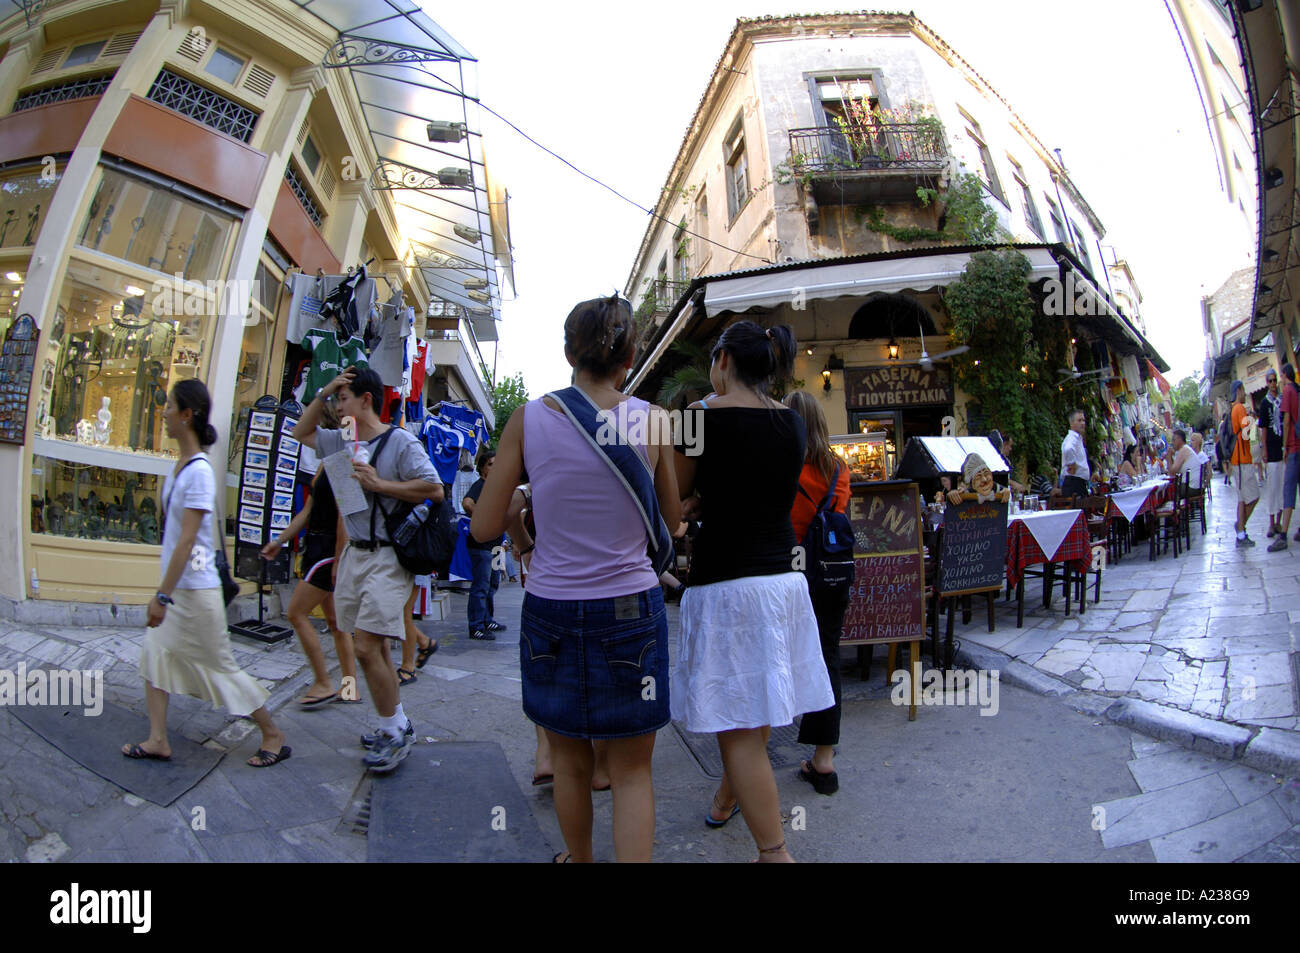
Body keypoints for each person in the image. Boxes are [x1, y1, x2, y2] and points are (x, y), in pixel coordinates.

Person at [470, 293, 681, 863]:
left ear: (569, 351)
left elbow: (485, 527)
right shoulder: (652, 421)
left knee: (568, 761)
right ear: (630, 354)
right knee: (633, 771)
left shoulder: (530, 418)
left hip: (551, 610)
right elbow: (674, 523)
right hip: (632, 608)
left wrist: (527, 500)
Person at [673, 321, 833, 863]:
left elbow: (671, 508)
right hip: (783, 582)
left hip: (727, 583)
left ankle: (774, 853)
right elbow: (760, 490)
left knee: (736, 725)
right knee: (755, 708)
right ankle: (726, 795)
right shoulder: (791, 423)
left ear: (721, 360)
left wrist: (693, 504)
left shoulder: (696, 419)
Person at [123, 380, 289, 767]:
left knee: (222, 669)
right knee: (154, 654)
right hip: (182, 589)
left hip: (195, 593)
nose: (162, 412)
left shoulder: (199, 472)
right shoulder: (178, 465)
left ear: (186, 415)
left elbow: (185, 543)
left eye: (169, 406)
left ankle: (272, 733)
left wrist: (162, 596)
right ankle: (158, 738)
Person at [293, 366, 442, 773]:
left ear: (366, 400)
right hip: (356, 555)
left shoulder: (400, 442)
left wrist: (382, 486)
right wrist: (325, 389)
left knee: (364, 646)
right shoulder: (342, 441)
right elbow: (300, 433)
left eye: (343, 397)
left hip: (389, 556)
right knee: (370, 649)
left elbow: (434, 489)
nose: (336, 405)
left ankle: (394, 730)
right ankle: (392, 722)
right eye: (336, 398)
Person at [785, 390, 851, 796]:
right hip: (832, 573)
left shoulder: (780, 467)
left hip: (789, 574)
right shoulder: (839, 468)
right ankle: (823, 762)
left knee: (772, 657)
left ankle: (746, 762)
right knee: (828, 658)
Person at [260, 457, 359, 707]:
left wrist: (338, 559)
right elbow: (307, 511)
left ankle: (323, 682)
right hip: (317, 548)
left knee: (296, 613)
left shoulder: (343, 462)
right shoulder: (326, 463)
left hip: (326, 550)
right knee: (337, 624)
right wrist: (279, 541)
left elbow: (345, 517)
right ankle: (350, 688)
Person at [461, 447, 505, 641]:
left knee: (493, 583)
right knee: (481, 585)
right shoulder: (481, 485)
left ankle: (487, 619)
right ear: (482, 468)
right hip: (482, 546)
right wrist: (482, 517)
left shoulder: (497, 486)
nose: (495, 468)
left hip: (496, 546)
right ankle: (476, 626)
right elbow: (467, 503)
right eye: (490, 465)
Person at [1227, 379, 1263, 547]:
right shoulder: (1239, 408)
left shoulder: (1234, 409)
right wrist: (1252, 422)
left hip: (1239, 460)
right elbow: (1248, 434)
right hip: (1242, 460)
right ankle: (1240, 527)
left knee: (1242, 498)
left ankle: (1241, 532)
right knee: (1253, 496)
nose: (1245, 393)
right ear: (1239, 390)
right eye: (1243, 390)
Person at [1272, 363, 1300, 551]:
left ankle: (1283, 534)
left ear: (1284, 375)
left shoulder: (1288, 391)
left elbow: (1287, 419)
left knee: (1288, 489)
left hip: (1294, 446)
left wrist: (1284, 446)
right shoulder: (1298, 391)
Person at [1258, 369, 1286, 539]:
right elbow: (1264, 429)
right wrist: (1264, 451)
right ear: (1267, 383)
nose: (1273, 383)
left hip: (1283, 450)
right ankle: (1271, 521)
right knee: (1272, 488)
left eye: (1275, 380)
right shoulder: (1265, 404)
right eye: (1270, 381)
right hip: (1272, 451)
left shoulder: (1282, 401)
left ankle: (1279, 521)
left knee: (1282, 488)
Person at [1060, 409, 1090, 499]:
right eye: (1079, 420)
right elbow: (1068, 449)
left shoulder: (1078, 439)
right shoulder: (1072, 438)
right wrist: (1071, 464)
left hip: (1078, 482)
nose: (1082, 423)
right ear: (1072, 423)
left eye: (1083, 420)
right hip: (1074, 483)